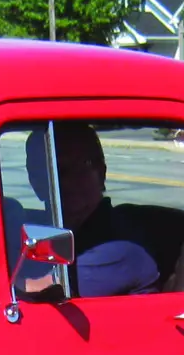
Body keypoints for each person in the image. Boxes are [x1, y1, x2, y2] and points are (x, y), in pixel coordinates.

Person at [16, 123, 160, 298]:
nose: (67, 181)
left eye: (83, 165)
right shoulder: (50, 230)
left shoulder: (119, 246)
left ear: (101, 172)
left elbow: (36, 289)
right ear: (33, 179)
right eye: (54, 170)